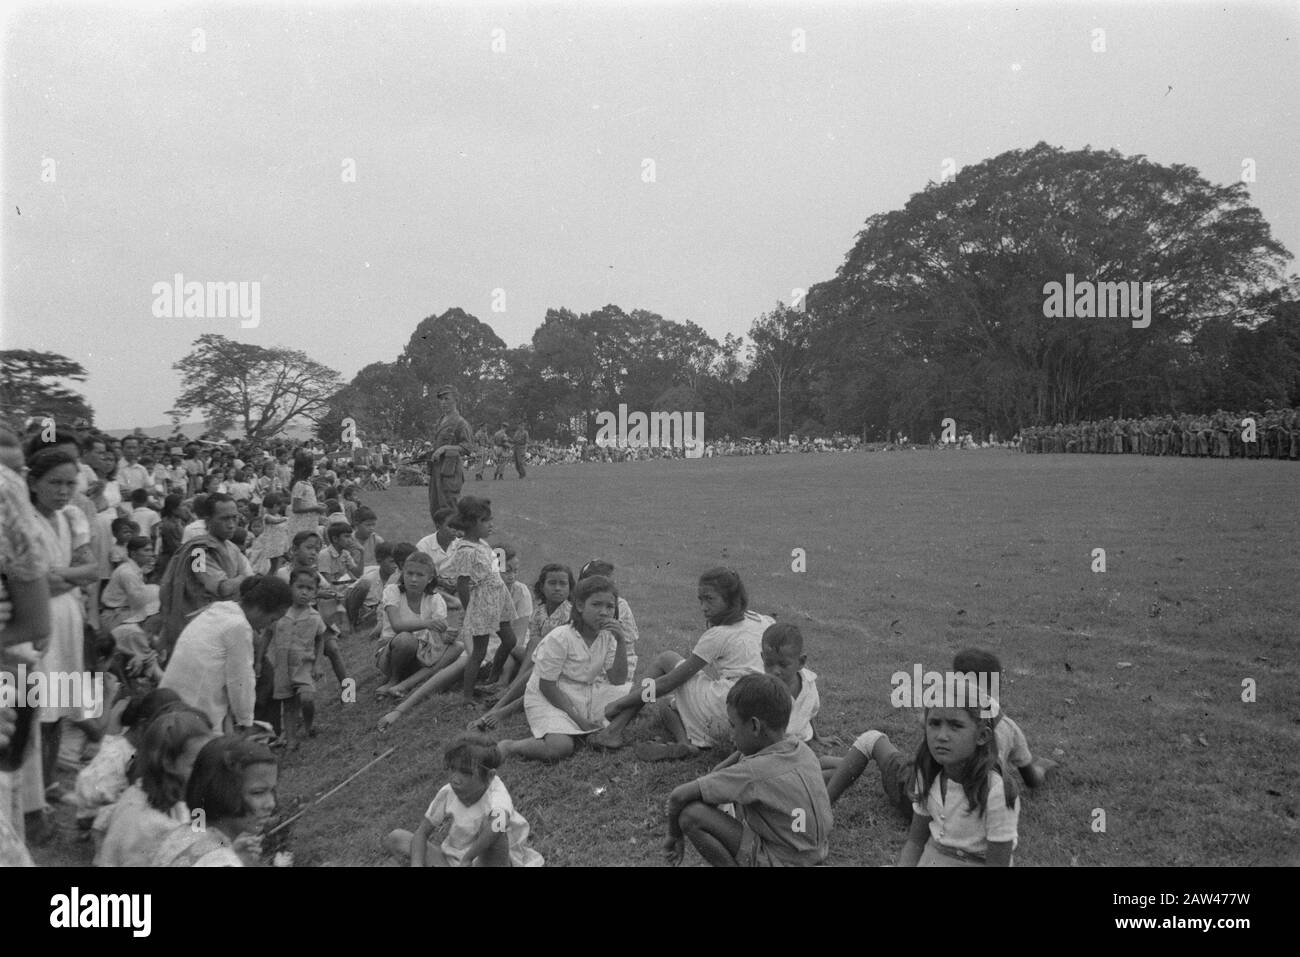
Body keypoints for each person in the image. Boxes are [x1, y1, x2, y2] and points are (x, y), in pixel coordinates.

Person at [826, 648, 1055, 814]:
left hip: (918, 800)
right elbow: (1031, 780)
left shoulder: (940, 712)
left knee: (872, 739)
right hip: (969, 814)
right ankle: (832, 765)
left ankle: (823, 807)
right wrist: (1042, 766)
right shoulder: (1009, 729)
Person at [663, 673, 831, 867]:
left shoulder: (753, 771)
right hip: (816, 853)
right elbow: (719, 772)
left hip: (782, 860)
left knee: (691, 814)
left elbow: (678, 796)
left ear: (754, 726)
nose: (731, 735)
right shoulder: (801, 749)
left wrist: (673, 835)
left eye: (733, 726)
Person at [603, 568, 771, 760]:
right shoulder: (763, 621)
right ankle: (686, 744)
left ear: (731, 599)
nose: (703, 607)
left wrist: (620, 703)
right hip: (756, 716)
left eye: (709, 599)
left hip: (728, 708)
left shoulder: (718, 634)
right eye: (701, 600)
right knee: (667, 706)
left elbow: (670, 682)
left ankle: (614, 730)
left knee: (666, 658)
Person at [25, 448, 101, 799]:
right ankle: (30, 789)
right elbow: (37, 581)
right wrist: (71, 575)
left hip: (68, 615)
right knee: (34, 706)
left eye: (70, 484)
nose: (63, 491)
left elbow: (91, 569)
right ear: (33, 482)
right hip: (35, 616)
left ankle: (50, 782)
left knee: (60, 705)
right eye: (54, 483)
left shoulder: (72, 517)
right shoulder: (22, 522)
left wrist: (62, 575)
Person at [495, 575, 630, 762]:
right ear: (580, 606)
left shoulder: (607, 636)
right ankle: (511, 746)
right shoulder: (561, 637)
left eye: (610, 607)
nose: (604, 612)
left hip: (584, 691)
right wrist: (578, 719)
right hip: (551, 696)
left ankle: (586, 728)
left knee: (633, 697)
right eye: (596, 605)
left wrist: (621, 641)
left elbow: (617, 680)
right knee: (560, 747)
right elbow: (547, 686)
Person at [897, 687, 1020, 866]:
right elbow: (915, 842)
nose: (942, 736)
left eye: (956, 726)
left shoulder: (996, 792)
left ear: (982, 736)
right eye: (934, 723)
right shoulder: (927, 773)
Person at [383, 733, 542, 867]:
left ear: (489, 776)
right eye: (452, 769)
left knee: (493, 830)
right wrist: (416, 864)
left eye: (465, 772)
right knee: (396, 838)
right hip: (453, 861)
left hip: (488, 861)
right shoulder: (447, 792)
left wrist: (468, 858)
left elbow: (498, 826)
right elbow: (422, 833)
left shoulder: (497, 794)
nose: (455, 779)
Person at [159, 576, 293, 732]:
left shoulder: (217, 611)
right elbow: (241, 681)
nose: (268, 626)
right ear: (259, 609)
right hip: (191, 714)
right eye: (272, 619)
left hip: (170, 705)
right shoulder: (238, 626)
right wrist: (246, 722)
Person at [95, 706, 215, 866]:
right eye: (197, 764)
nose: (208, 770)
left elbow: (198, 831)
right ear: (169, 764)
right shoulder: (154, 825)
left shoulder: (144, 790)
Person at [468, 563, 572, 732]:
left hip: (558, 661)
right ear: (542, 587)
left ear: (570, 588)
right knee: (514, 647)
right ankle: (501, 683)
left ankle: (510, 688)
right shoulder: (539, 611)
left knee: (534, 643)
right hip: (539, 656)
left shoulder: (570, 612)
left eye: (563, 584)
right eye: (552, 583)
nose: (558, 588)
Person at [152, 735, 278, 866]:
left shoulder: (181, 834)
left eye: (272, 791)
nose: (271, 804)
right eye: (258, 793)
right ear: (220, 791)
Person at [445, 497, 515, 699]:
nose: (490, 524)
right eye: (485, 521)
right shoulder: (466, 550)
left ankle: (491, 678)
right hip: (482, 605)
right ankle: (467, 696)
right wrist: (470, 610)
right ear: (470, 523)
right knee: (479, 652)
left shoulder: (482, 543)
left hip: (498, 600)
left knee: (510, 640)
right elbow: (462, 584)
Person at [374, 550, 450, 700]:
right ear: (403, 574)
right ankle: (394, 679)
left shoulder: (435, 599)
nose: (413, 579)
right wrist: (428, 624)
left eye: (420, 575)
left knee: (458, 647)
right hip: (391, 654)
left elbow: (440, 637)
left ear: (430, 579)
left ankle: (407, 684)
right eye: (409, 573)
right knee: (405, 639)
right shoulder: (392, 591)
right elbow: (397, 625)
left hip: (421, 655)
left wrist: (447, 634)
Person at [269, 570, 327, 749]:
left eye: (310, 589)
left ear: (315, 592)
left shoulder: (314, 617)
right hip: (281, 666)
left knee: (307, 698)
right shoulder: (279, 612)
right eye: (300, 587)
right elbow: (267, 635)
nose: (304, 592)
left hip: (304, 665)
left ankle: (309, 726)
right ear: (290, 587)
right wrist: (258, 661)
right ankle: (291, 740)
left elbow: (320, 639)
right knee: (288, 704)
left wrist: (318, 664)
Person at [759, 623, 820, 744]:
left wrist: (817, 736)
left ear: (801, 661)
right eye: (769, 663)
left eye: (783, 665)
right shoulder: (762, 690)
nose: (775, 671)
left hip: (802, 741)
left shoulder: (809, 682)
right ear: (762, 658)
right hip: (774, 746)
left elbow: (810, 712)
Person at [426, 386, 473, 522]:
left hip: (450, 471)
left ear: (456, 400)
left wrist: (446, 448)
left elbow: (468, 447)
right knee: (435, 508)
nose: (443, 402)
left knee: (449, 508)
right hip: (436, 469)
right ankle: (441, 540)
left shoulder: (460, 423)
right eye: (441, 400)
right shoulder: (440, 420)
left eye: (447, 399)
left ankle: (455, 540)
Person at [287, 452, 325, 539]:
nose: (313, 468)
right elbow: (296, 508)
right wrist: (315, 508)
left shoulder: (307, 483)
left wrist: (317, 502)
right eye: (311, 465)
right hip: (301, 524)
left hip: (309, 523)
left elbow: (306, 501)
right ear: (305, 468)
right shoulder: (300, 485)